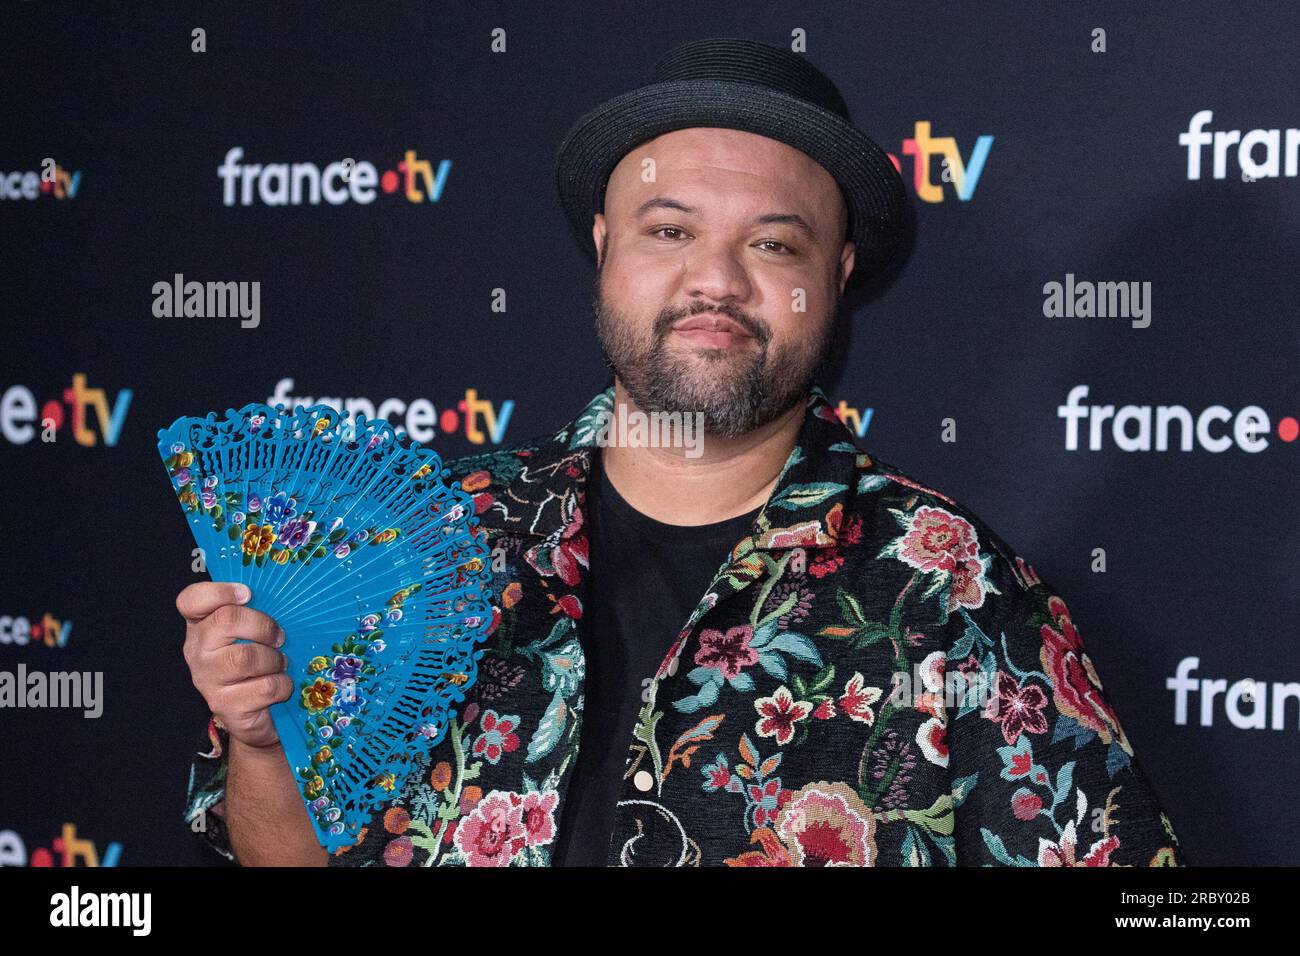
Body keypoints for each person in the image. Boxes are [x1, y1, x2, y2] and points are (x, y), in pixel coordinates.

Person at [178, 37, 1187, 867]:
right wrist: (264, 741)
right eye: (669, 230)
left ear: (832, 280)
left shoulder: (957, 588)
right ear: (606, 246)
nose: (716, 280)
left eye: (774, 244)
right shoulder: (426, 541)